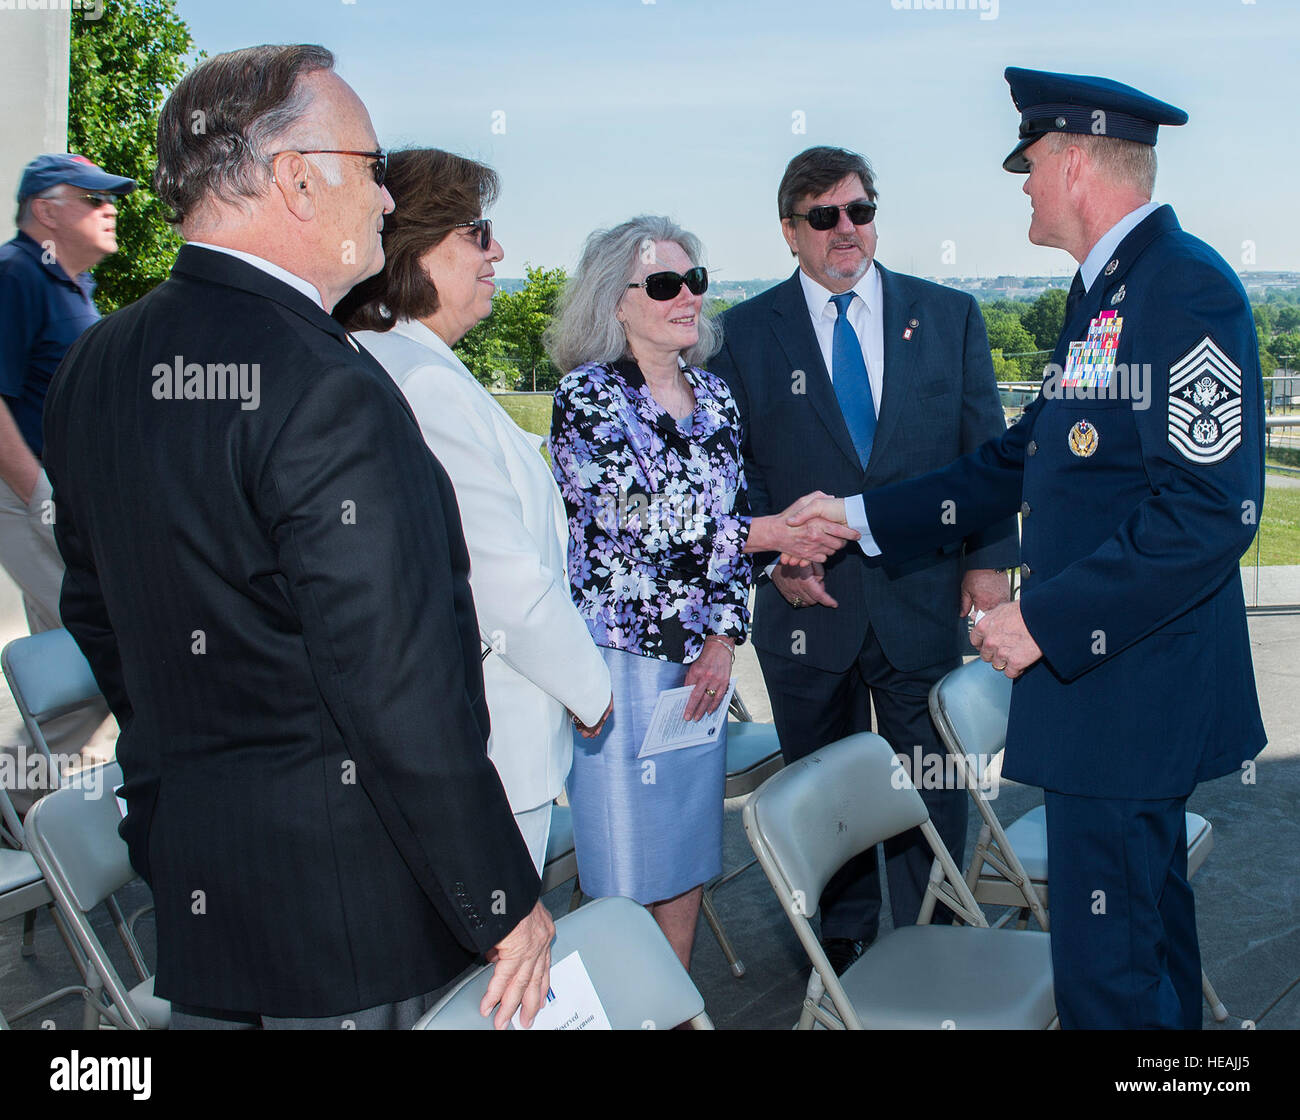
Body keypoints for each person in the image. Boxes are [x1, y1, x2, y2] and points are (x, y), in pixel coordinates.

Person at [42, 44, 553, 1030]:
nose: (390, 199)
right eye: (372, 168)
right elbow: (398, 688)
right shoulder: (328, 386)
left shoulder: (99, 359)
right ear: (296, 178)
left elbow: (98, 621)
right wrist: (502, 898)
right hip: (353, 925)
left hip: (201, 894)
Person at [790, 68, 1266, 1029]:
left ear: (1078, 162)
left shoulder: (1182, 291)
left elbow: (1210, 510)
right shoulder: (1110, 294)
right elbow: (1025, 457)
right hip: (1112, 699)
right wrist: (854, 516)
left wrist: (1042, 619)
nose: (1023, 184)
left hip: (1130, 695)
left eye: (1033, 163)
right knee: (1143, 943)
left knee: (1112, 974)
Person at [709, 147, 1018, 974]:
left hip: (920, 600)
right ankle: (840, 942)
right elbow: (729, 475)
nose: (847, 229)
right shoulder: (739, 337)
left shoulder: (949, 317)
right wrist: (774, 562)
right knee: (828, 790)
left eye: (861, 210)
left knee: (931, 783)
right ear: (790, 232)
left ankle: (935, 928)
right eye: (824, 216)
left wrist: (989, 569)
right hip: (809, 613)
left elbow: (986, 456)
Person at [546, 216, 857, 967]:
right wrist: (773, 533)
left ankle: (676, 1003)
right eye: (663, 284)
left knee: (685, 850)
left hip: (702, 670)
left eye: (695, 281)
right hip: (621, 668)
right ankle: (632, 1008)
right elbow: (640, 523)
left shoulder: (715, 397)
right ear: (614, 302)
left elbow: (721, 523)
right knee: (624, 867)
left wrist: (723, 642)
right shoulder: (586, 399)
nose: (686, 297)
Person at [337, 148, 613, 873]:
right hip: (493, 740)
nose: (498, 251)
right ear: (416, 249)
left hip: (472, 732)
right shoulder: (420, 381)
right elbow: (500, 581)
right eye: (476, 232)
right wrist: (591, 690)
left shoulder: (403, 361)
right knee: (499, 967)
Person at [0, 154, 130, 802]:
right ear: (47, 210)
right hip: (26, 492)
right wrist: (38, 495)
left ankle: (29, 795)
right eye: (93, 198)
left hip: (61, 495)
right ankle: (16, 797)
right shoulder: (15, 274)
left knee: (66, 651)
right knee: (105, 639)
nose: (110, 209)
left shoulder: (69, 285)